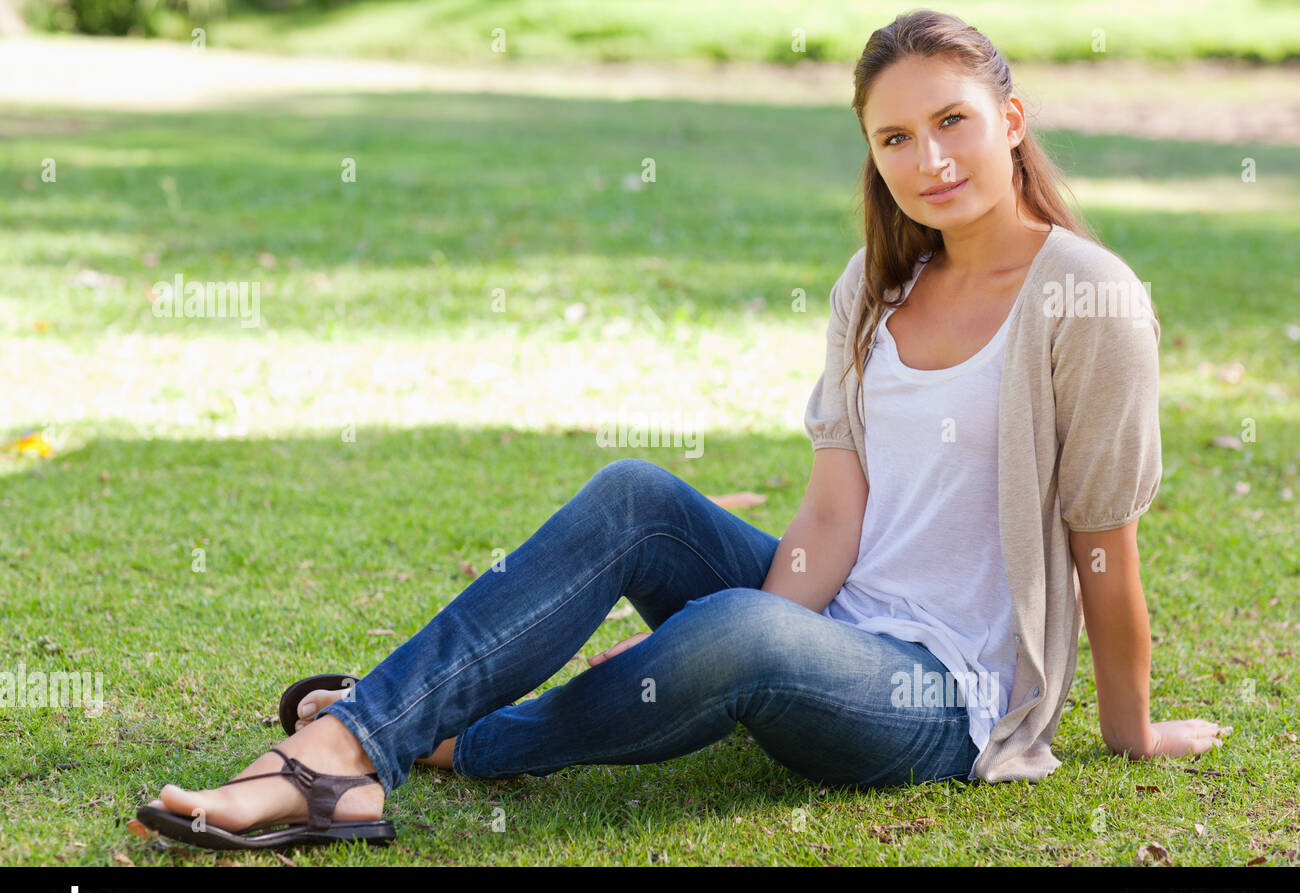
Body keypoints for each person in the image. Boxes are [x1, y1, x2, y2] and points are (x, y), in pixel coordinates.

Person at [134, 9, 1223, 850]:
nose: (927, 159)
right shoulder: (878, 283)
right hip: (842, 617)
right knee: (637, 497)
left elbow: (1102, 539)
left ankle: (448, 737)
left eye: (952, 122)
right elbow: (832, 512)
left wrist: (1129, 729)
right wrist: (767, 642)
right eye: (894, 136)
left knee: (739, 635)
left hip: (943, 699)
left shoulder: (1087, 294)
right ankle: (350, 745)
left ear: (1011, 121)